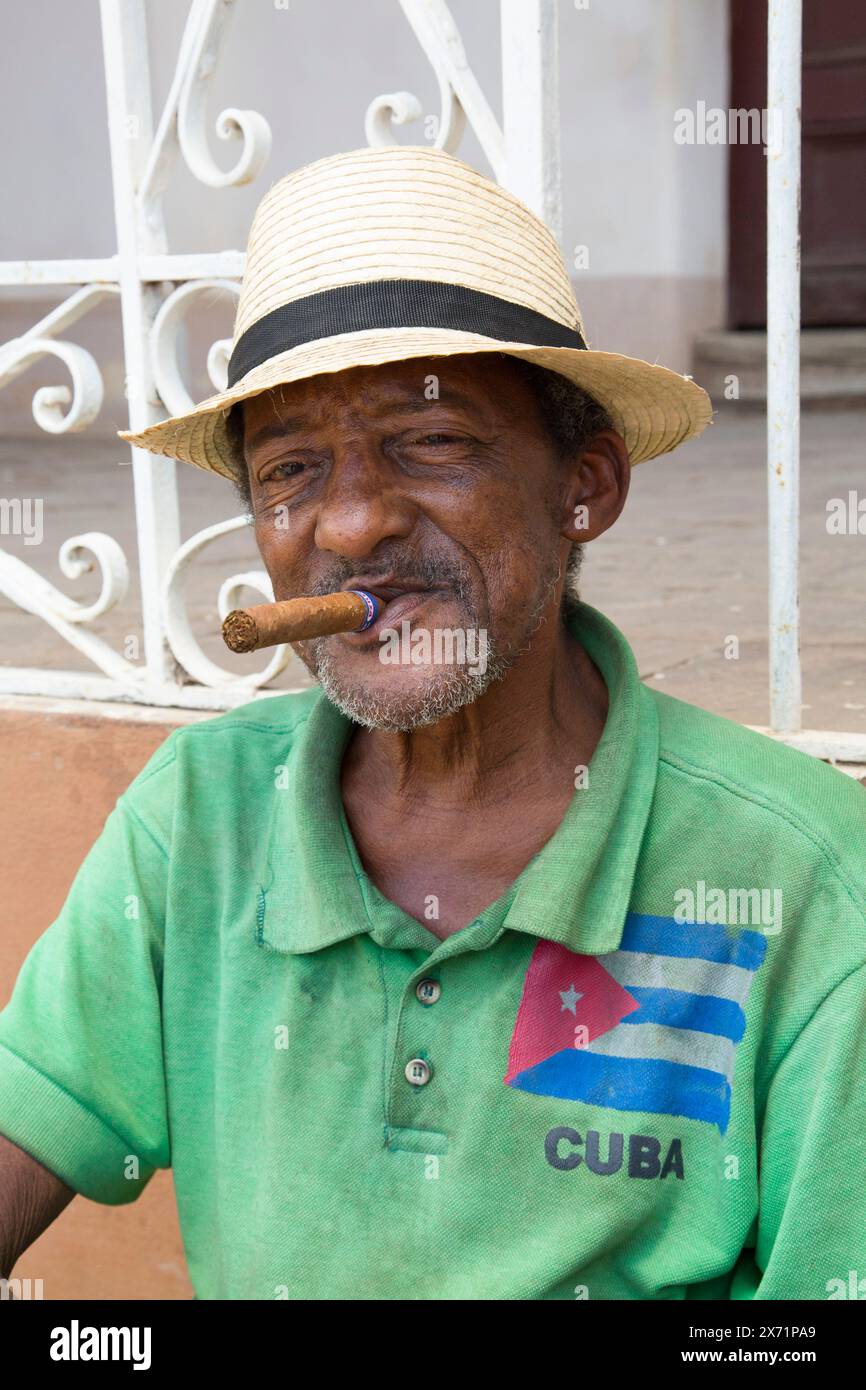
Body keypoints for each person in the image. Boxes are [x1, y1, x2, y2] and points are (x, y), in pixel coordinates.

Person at [1, 146, 864, 1300]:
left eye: (432, 442)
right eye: (292, 469)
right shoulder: (197, 816)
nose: (352, 524)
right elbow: (34, 1119)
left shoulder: (799, 871)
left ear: (585, 488)